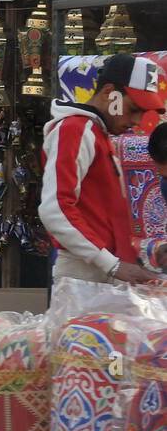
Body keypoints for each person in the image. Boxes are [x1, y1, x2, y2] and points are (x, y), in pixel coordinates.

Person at [40, 54, 166, 285]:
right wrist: (111, 264)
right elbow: (55, 209)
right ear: (109, 93)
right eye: (133, 109)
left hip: (101, 275)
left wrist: (142, 254)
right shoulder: (75, 130)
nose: (137, 121)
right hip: (85, 278)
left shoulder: (97, 134)